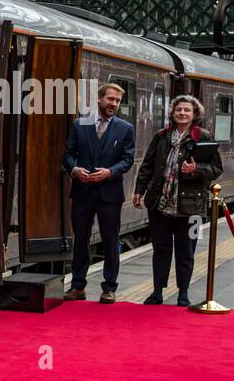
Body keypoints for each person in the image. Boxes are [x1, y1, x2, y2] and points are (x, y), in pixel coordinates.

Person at [133, 95, 224, 307]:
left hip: (193, 207)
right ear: (173, 113)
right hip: (159, 203)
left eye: (187, 110)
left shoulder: (203, 136)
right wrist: (139, 190)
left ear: (194, 114)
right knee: (161, 249)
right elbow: (147, 165)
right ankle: (157, 292)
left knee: (186, 251)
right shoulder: (161, 136)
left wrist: (196, 170)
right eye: (178, 110)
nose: (182, 113)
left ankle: (183, 293)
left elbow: (217, 169)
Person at [62, 83, 135, 303]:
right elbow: (68, 154)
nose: (113, 104)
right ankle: (78, 286)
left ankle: (109, 288)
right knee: (81, 240)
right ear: (99, 99)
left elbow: (127, 159)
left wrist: (110, 172)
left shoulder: (125, 128)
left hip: (110, 194)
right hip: (82, 192)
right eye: (110, 99)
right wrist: (75, 170)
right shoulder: (80, 124)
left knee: (111, 241)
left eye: (117, 101)